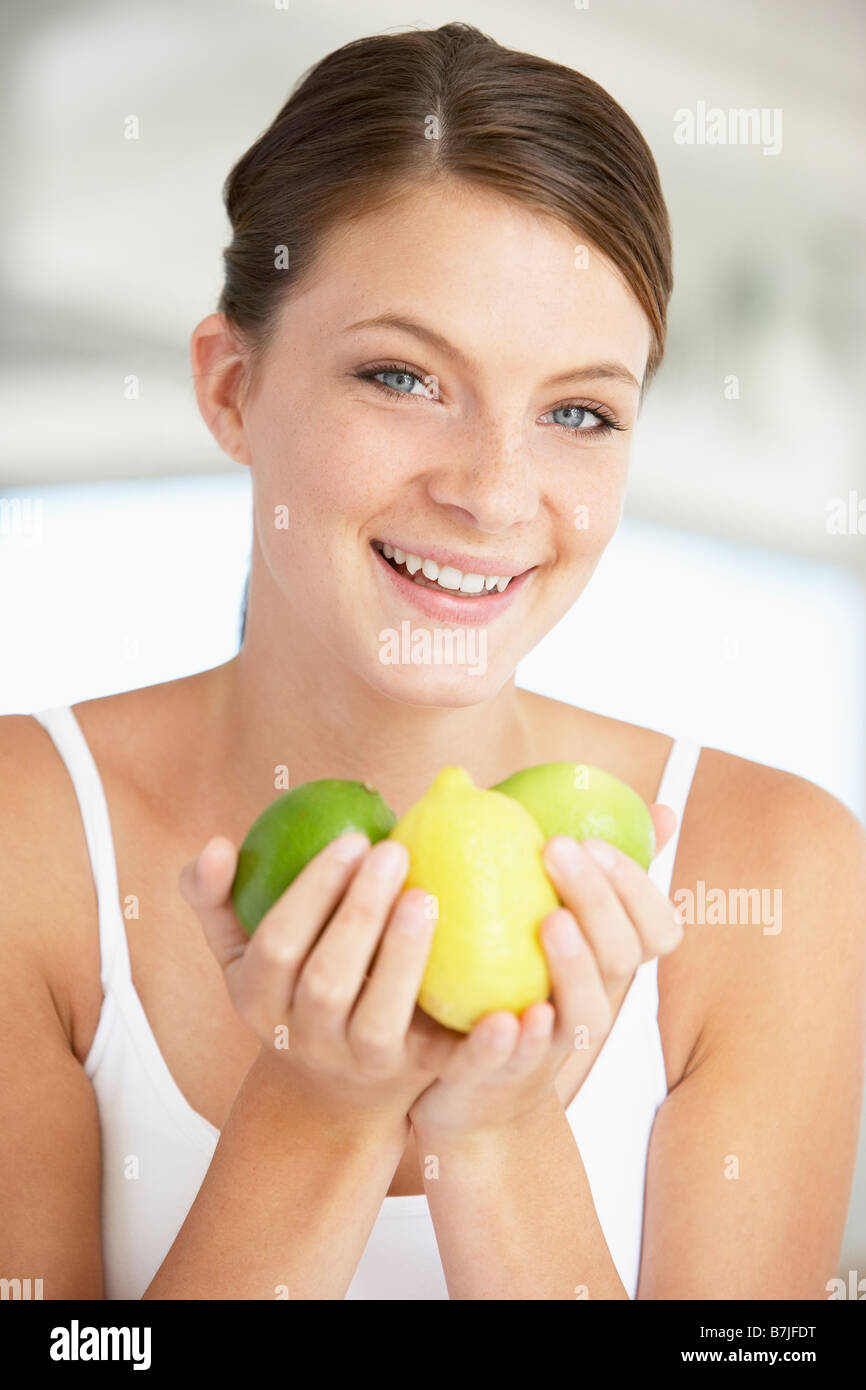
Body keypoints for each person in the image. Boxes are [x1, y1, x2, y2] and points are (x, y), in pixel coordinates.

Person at [2, 21, 864, 1302]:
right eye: (402, 377)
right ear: (231, 387)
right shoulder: (28, 842)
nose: (494, 495)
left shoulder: (773, 869)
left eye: (578, 412)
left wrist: (502, 1136)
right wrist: (319, 1112)